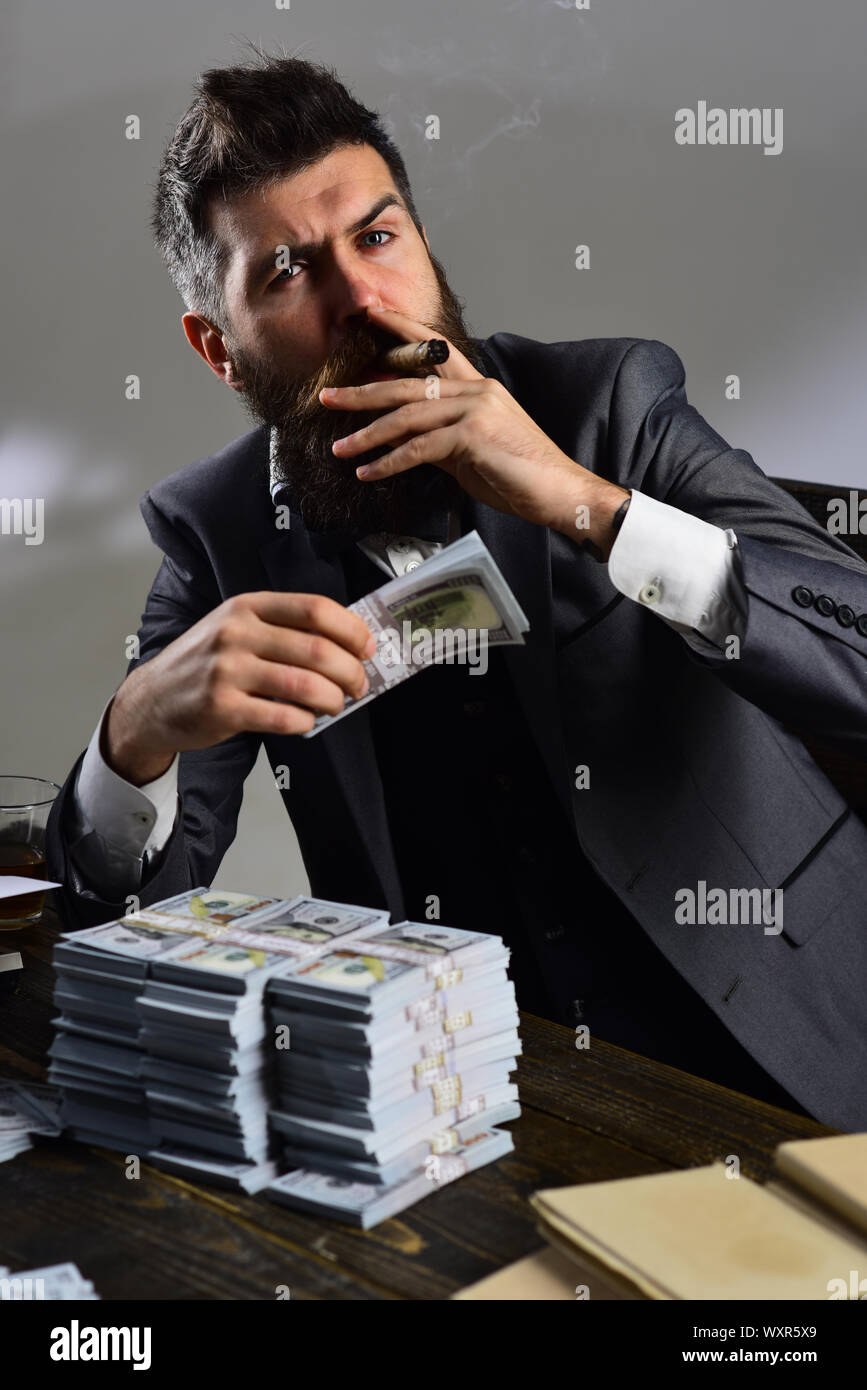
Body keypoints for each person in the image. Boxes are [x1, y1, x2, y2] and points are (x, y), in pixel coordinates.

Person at [45, 52, 867, 1130]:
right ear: (220, 351)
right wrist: (135, 727)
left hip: (798, 1043)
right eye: (288, 271)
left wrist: (589, 504)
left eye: (378, 238)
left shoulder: (610, 403)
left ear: (424, 249)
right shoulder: (219, 535)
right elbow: (125, 929)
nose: (361, 300)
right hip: (471, 1099)